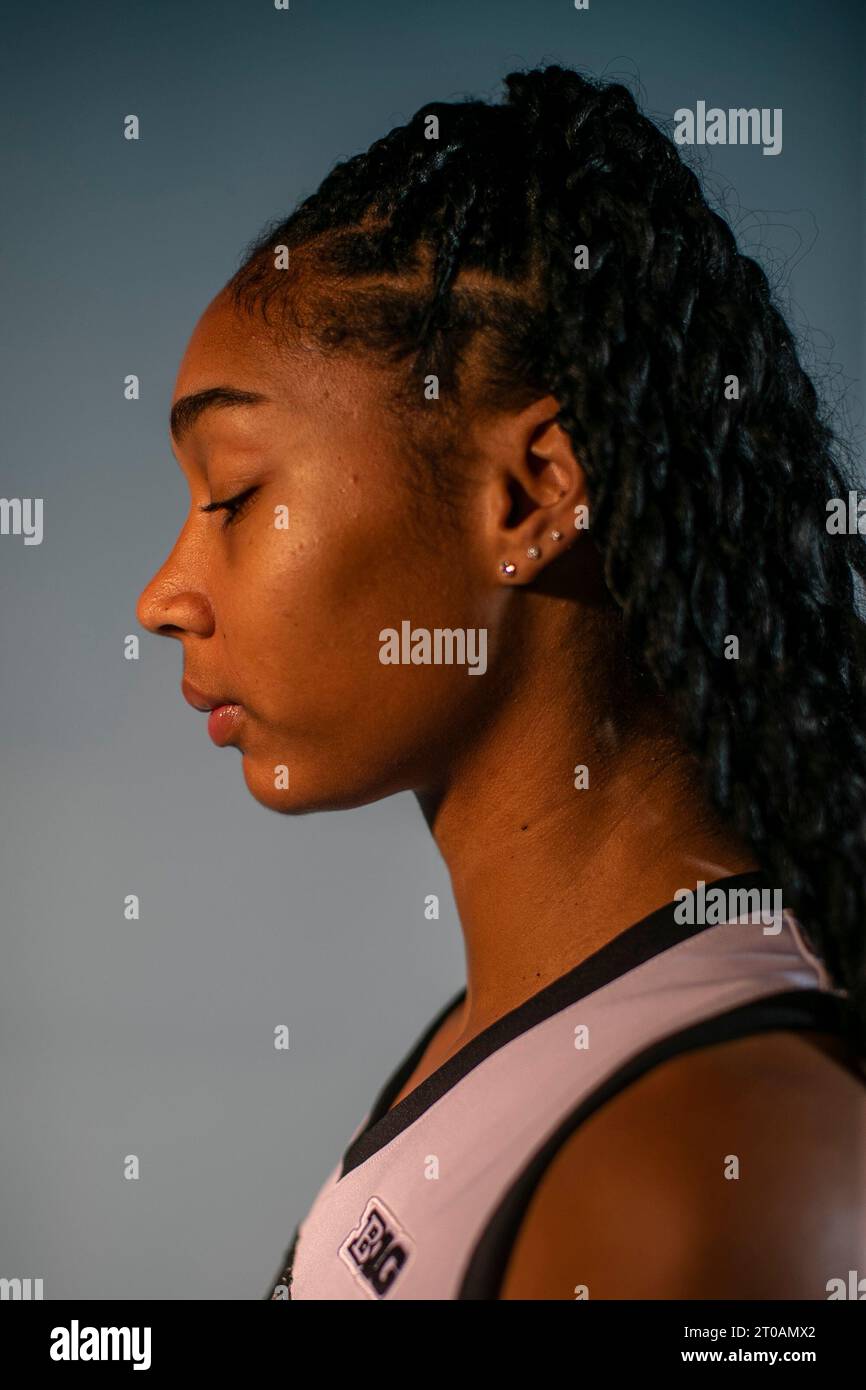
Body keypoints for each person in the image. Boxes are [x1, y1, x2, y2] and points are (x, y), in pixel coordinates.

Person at [136, 64, 866, 1300]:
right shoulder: (505, 1053)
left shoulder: (704, 1169)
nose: (161, 596)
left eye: (234, 496)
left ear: (528, 494)